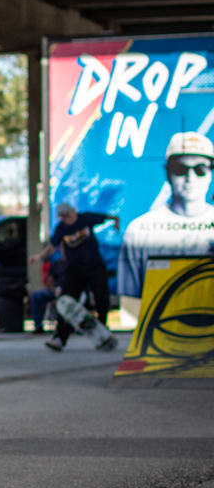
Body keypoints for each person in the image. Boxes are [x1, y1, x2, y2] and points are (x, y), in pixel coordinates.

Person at [118, 131, 214, 298]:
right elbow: (129, 303)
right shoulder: (139, 230)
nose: (190, 178)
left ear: (210, 174)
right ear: (167, 173)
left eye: (200, 169)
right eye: (180, 169)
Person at [29, 202, 120, 352]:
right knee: (66, 302)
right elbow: (52, 247)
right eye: (64, 218)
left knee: (102, 299)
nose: (67, 220)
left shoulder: (86, 218)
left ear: (73, 213)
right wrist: (38, 256)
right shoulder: (61, 228)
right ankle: (59, 338)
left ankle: (102, 333)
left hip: (95, 266)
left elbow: (111, 217)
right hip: (75, 269)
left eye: (69, 217)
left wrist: (116, 223)